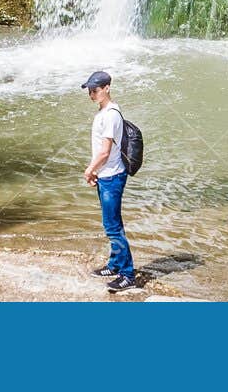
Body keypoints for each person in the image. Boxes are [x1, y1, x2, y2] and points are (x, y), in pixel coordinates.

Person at [81, 70, 135, 292]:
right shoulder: (103, 112)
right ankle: (114, 265)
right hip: (105, 175)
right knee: (110, 224)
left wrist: (89, 170)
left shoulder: (111, 114)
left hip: (112, 176)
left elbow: (104, 152)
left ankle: (128, 274)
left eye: (95, 90)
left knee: (114, 227)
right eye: (90, 90)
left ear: (107, 88)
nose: (92, 94)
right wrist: (95, 172)